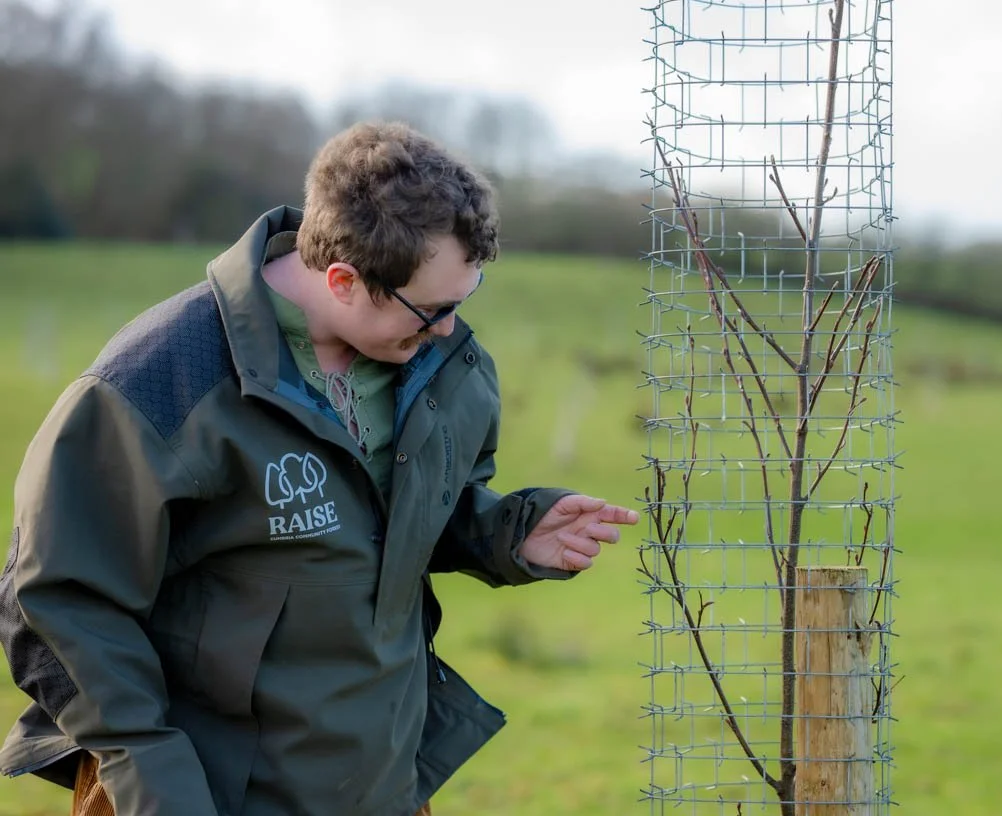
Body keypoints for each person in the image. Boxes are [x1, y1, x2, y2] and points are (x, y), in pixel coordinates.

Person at [0, 120, 639, 815]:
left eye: (464, 299)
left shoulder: (443, 367)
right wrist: (154, 783)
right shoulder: (156, 386)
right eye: (431, 309)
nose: (448, 328)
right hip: (193, 794)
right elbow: (55, 605)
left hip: (382, 787)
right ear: (343, 280)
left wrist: (506, 532)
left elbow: (396, 514)